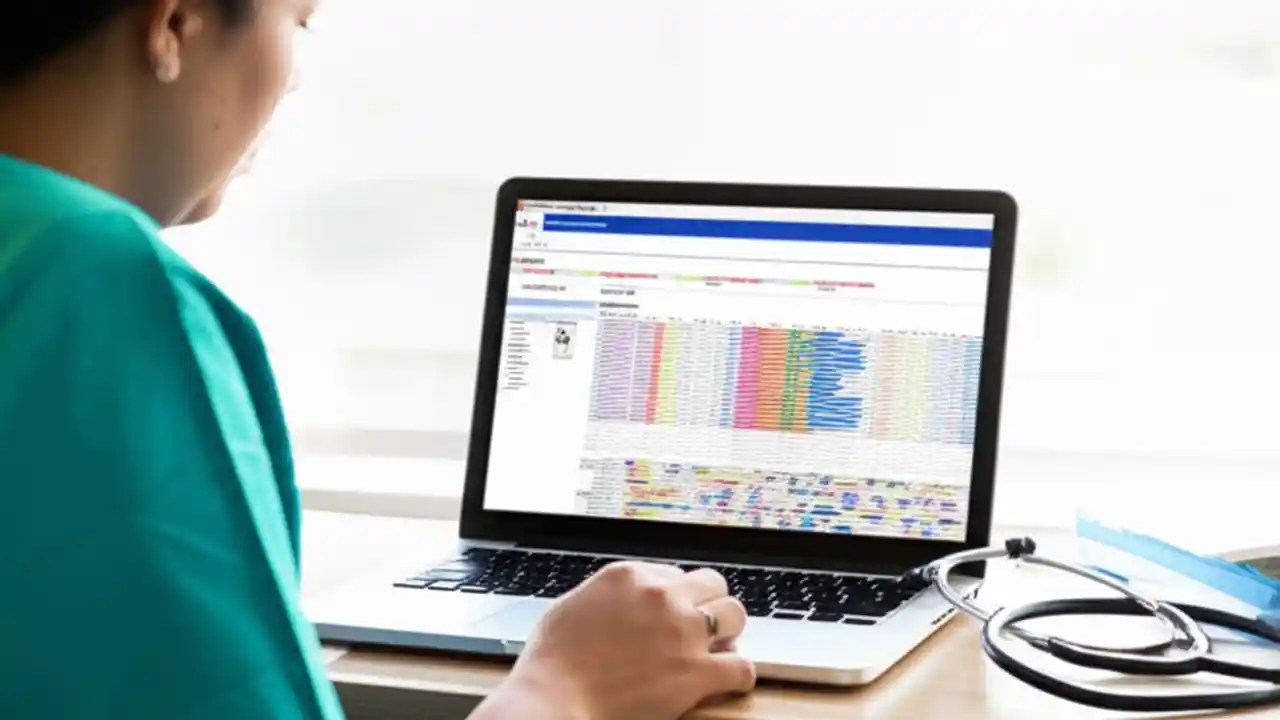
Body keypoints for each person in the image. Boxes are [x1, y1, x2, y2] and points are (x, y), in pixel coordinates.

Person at [0, 2, 754, 718]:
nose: (293, 74)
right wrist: (568, 687)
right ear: (174, 22)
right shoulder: (93, 283)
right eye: (296, 20)